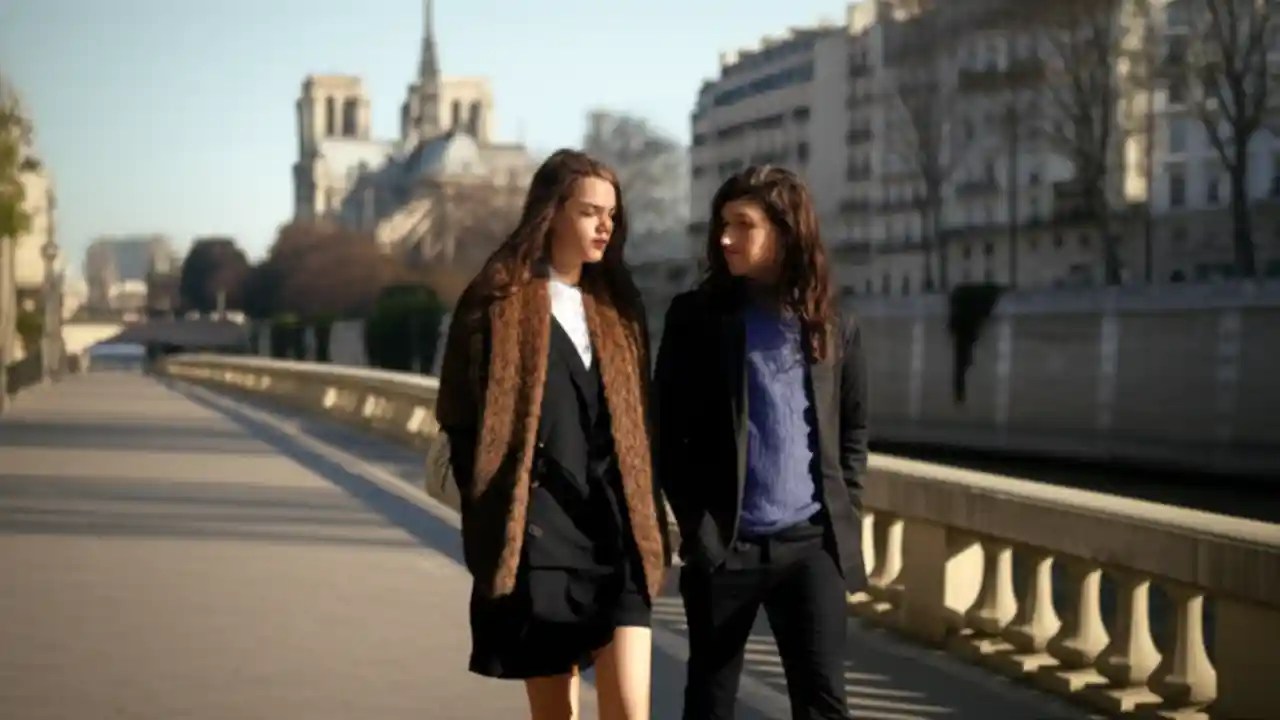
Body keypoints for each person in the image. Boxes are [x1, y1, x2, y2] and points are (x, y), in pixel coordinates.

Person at [434, 148, 669, 720]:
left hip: (618, 532)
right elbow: (459, 417)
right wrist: (498, 504)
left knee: (631, 710)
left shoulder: (619, 306)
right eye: (591, 212)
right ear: (552, 212)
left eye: (611, 215)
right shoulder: (497, 301)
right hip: (541, 538)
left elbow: (640, 420)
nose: (605, 226)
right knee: (555, 714)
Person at [654, 165, 869, 720]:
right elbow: (666, 433)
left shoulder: (831, 324)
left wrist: (844, 517)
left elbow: (851, 434)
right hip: (726, 547)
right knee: (711, 698)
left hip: (810, 548)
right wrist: (698, 527)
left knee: (824, 702)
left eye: (742, 225)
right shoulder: (697, 318)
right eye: (722, 224)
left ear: (785, 229)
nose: (725, 238)